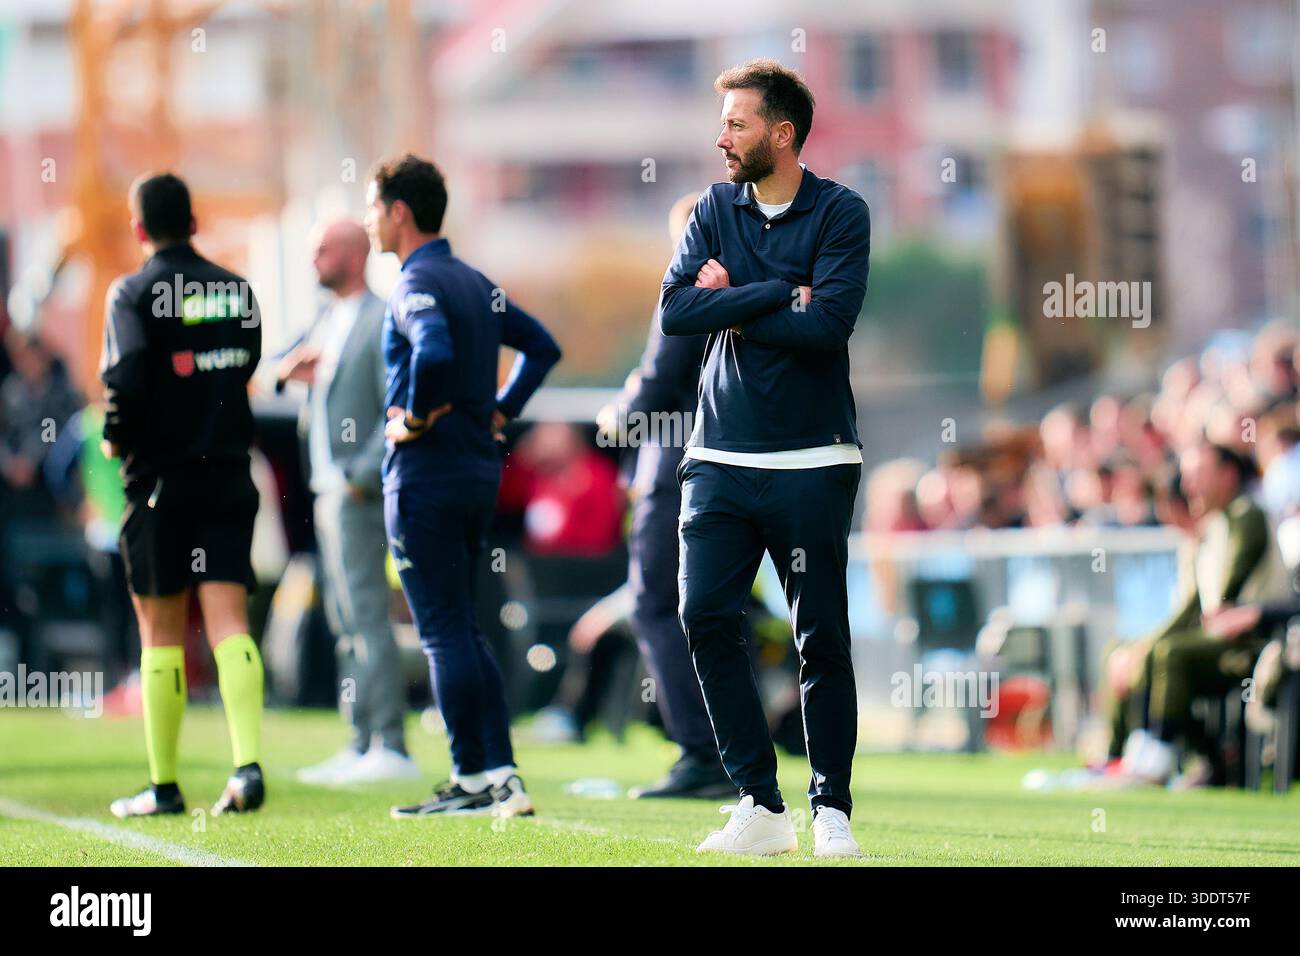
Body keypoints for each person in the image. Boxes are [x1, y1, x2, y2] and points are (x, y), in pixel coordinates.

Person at [660, 60, 870, 857]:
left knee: (821, 637)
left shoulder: (843, 212)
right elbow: (679, 309)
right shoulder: (713, 207)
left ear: (781, 134)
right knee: (703, 614)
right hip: (718, 456)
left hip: (815, 460)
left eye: (737, 124)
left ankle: (832, 810)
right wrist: (779, 291)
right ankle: (760, 803)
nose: (722, 138)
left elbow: (829, 327)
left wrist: (735, 295)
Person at [364, 154, 561, 817]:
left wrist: (415, 415)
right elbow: (543, 346)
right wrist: (500, 408)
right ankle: (497, 771)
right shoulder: (475, 281)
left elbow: (435, 350)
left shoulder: (415, 282)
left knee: (443, 631)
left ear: (399, 211)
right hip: (477, 470)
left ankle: (474, 776)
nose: (369, 219)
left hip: (427, 474)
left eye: (372, 205)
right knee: (465, 630)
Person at [99, 171, 265, 817]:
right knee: (229, 621)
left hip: (160, 482)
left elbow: (128, 378)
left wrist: (117, 437)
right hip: (227, 472)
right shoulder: (238, 289)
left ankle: (163, 787)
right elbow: (244, 364)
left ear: (140, 229)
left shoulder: (131, 293)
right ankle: (247, 765)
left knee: (160, 632)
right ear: (193, 223)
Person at [597, 192, 732, 800]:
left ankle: (702, 752)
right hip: (730, 459)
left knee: (657, 603)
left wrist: (614, 416)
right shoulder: (748, 284)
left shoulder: (686, 282)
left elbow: (657, 382)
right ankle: (732, 753)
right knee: (716, 613)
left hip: (673, 465)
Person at [277, 219, 417, 785]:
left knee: (365, 616)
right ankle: (359, 739)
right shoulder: (324, 318)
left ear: (354, 256)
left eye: (322, 250)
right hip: (326, 489)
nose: (314, 260)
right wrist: (290, 374)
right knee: (341, 619)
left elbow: (396, 401)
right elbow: (272, 372)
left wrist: (361, 476)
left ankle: (390, 742)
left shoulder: (380, 315)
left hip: (354, 492)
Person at [1105, 443, 1277, 785]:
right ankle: (1136, 753)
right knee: (1146, 653)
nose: (1188, 486)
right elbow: (1192, 608)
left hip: (1257, 641)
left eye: (1198, 474)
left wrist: (1223, 607)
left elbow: (1229, 590)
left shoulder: (1247, 515)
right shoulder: (1215, 529)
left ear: (1228, 475)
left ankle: (1158, 757)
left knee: (1171, 655)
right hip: (1221, 639)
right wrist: (1140, 647)